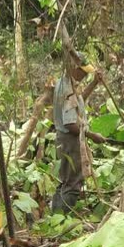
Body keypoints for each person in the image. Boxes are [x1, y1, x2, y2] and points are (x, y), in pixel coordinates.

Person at [51, 50, 107, 213]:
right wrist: (91, 135)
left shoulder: (67, 83)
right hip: (69, 140)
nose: (84, 76)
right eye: (82, 72)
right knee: (73, 184)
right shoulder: (66, 88)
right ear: (74, 68)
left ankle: (55, 217)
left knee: (65, 180)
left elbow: (80, 99)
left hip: (66, 139)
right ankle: (63, 220)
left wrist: (94, 83)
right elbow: (70, 124)